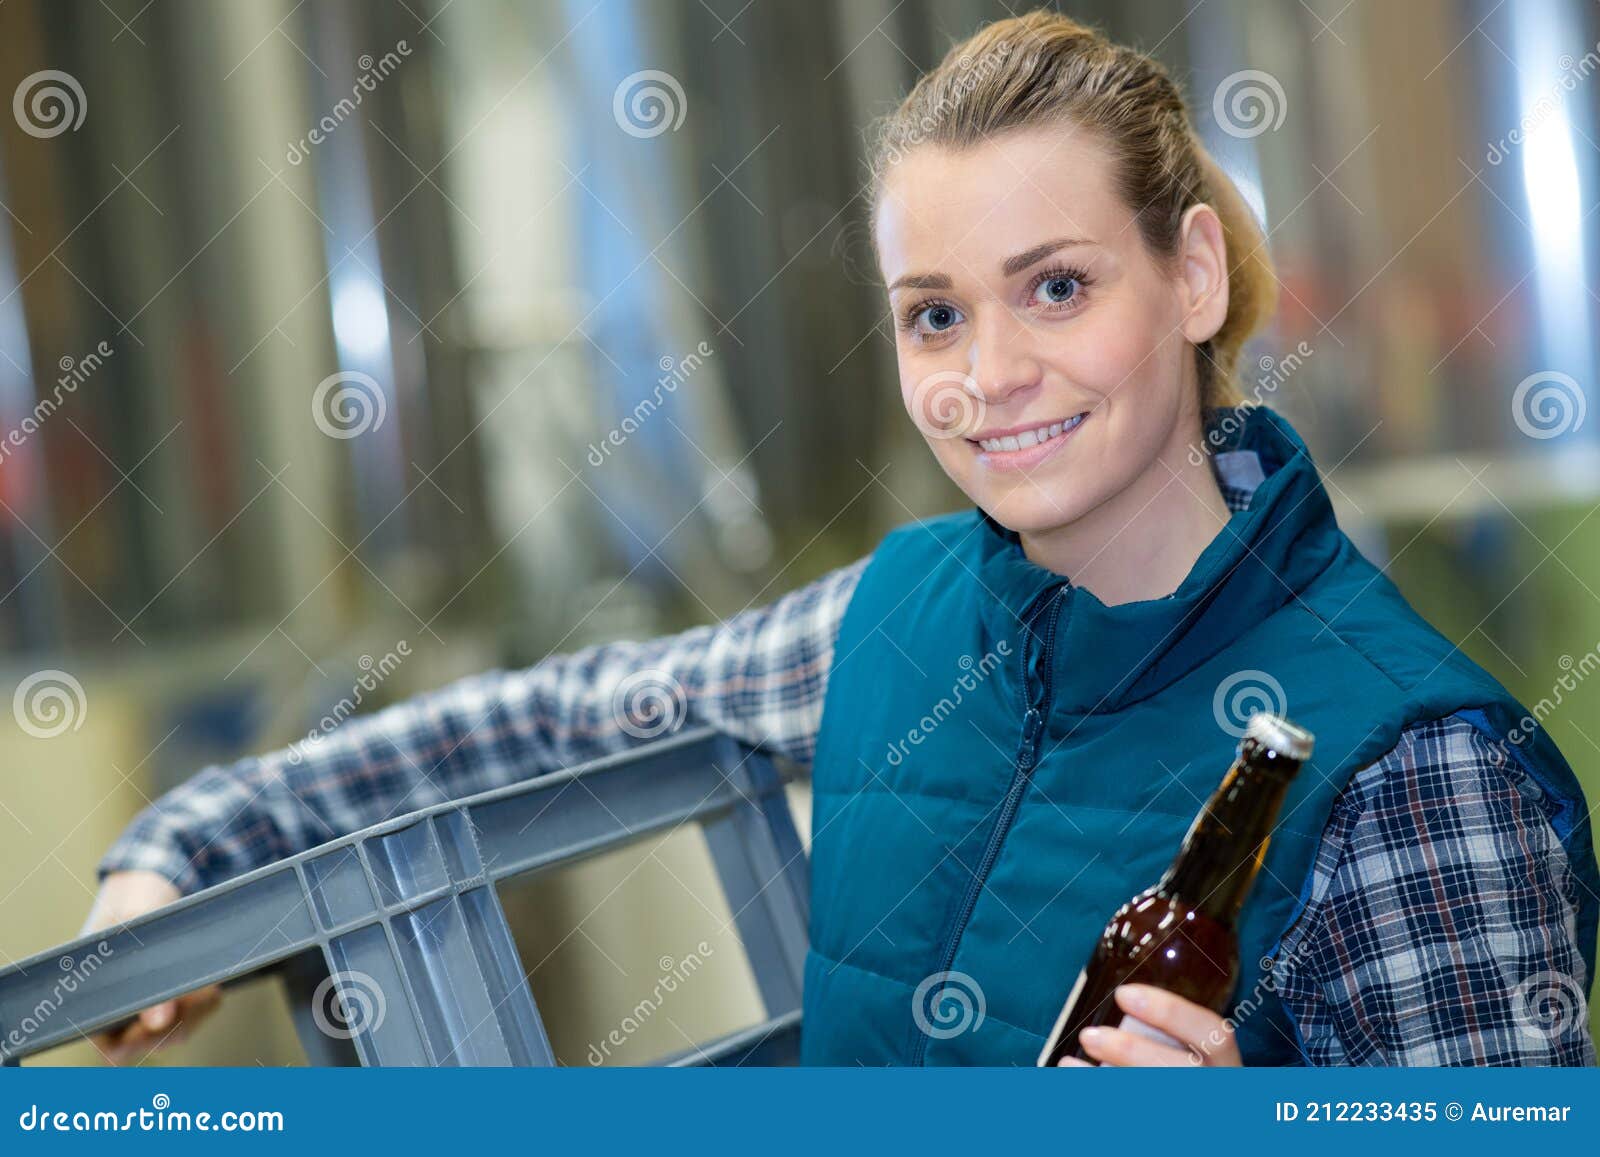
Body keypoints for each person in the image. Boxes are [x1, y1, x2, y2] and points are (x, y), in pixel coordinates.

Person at [87, 9, 1597, 1067]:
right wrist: (199, 845)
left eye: (1057, 287)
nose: (989, 373)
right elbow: (546, 725)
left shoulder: (1418, 768)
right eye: (935, 314)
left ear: (1192, 274)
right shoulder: (892, 621)